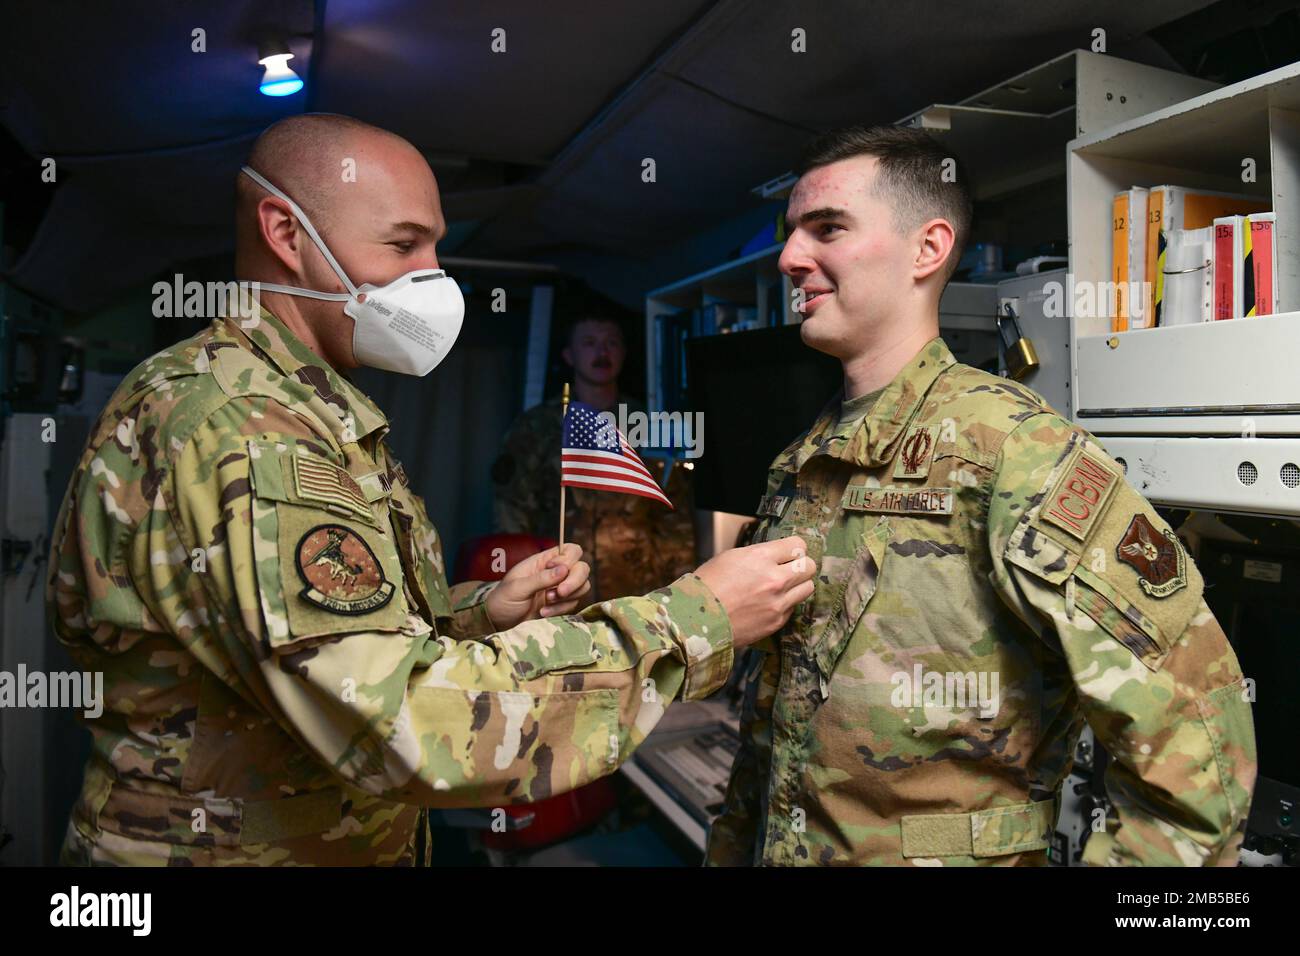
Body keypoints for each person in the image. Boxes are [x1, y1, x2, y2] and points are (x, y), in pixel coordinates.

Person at [48, 113, 815, 866]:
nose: (432, 275)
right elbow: (404, 725)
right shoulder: (247, 427)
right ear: (286, 235)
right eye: (403, 244)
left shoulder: (282, 402)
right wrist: (696, 620)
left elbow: (322, 645)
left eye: (436, 247)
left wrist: (478, 615)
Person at [704, 124, 1257, 867]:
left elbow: (1199, 749)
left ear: (927, 250)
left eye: (826, 228)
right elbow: (776, 742)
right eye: (791, 232)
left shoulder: (1012, 449)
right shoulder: (806, 459)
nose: (789, 258)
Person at [493, 315, 695, 603]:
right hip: (562, 589)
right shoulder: (534, 427)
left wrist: (681, 593)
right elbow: (511, 513)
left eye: (611, 343)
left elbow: (675, 517)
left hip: (639, 595)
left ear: (624, 353)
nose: (602, 352)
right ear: (569, 355)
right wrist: (527, 588)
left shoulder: (649, 424)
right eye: (589, 343)